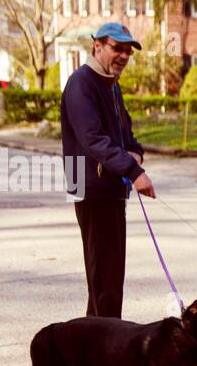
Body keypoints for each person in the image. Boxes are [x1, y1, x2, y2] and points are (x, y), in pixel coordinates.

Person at [60, 21, 155, 318]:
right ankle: (104, 351)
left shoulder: (111, 85)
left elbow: (124, 134)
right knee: (105, 280)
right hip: (90, 187)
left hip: (110, 189)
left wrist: (136, 153)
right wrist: (134, 171)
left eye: (128, 51)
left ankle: (98, 345)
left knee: (110, 278)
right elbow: (92, 139)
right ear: (97, 46)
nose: (124, 56)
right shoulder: (81, 83)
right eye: (117, 48)